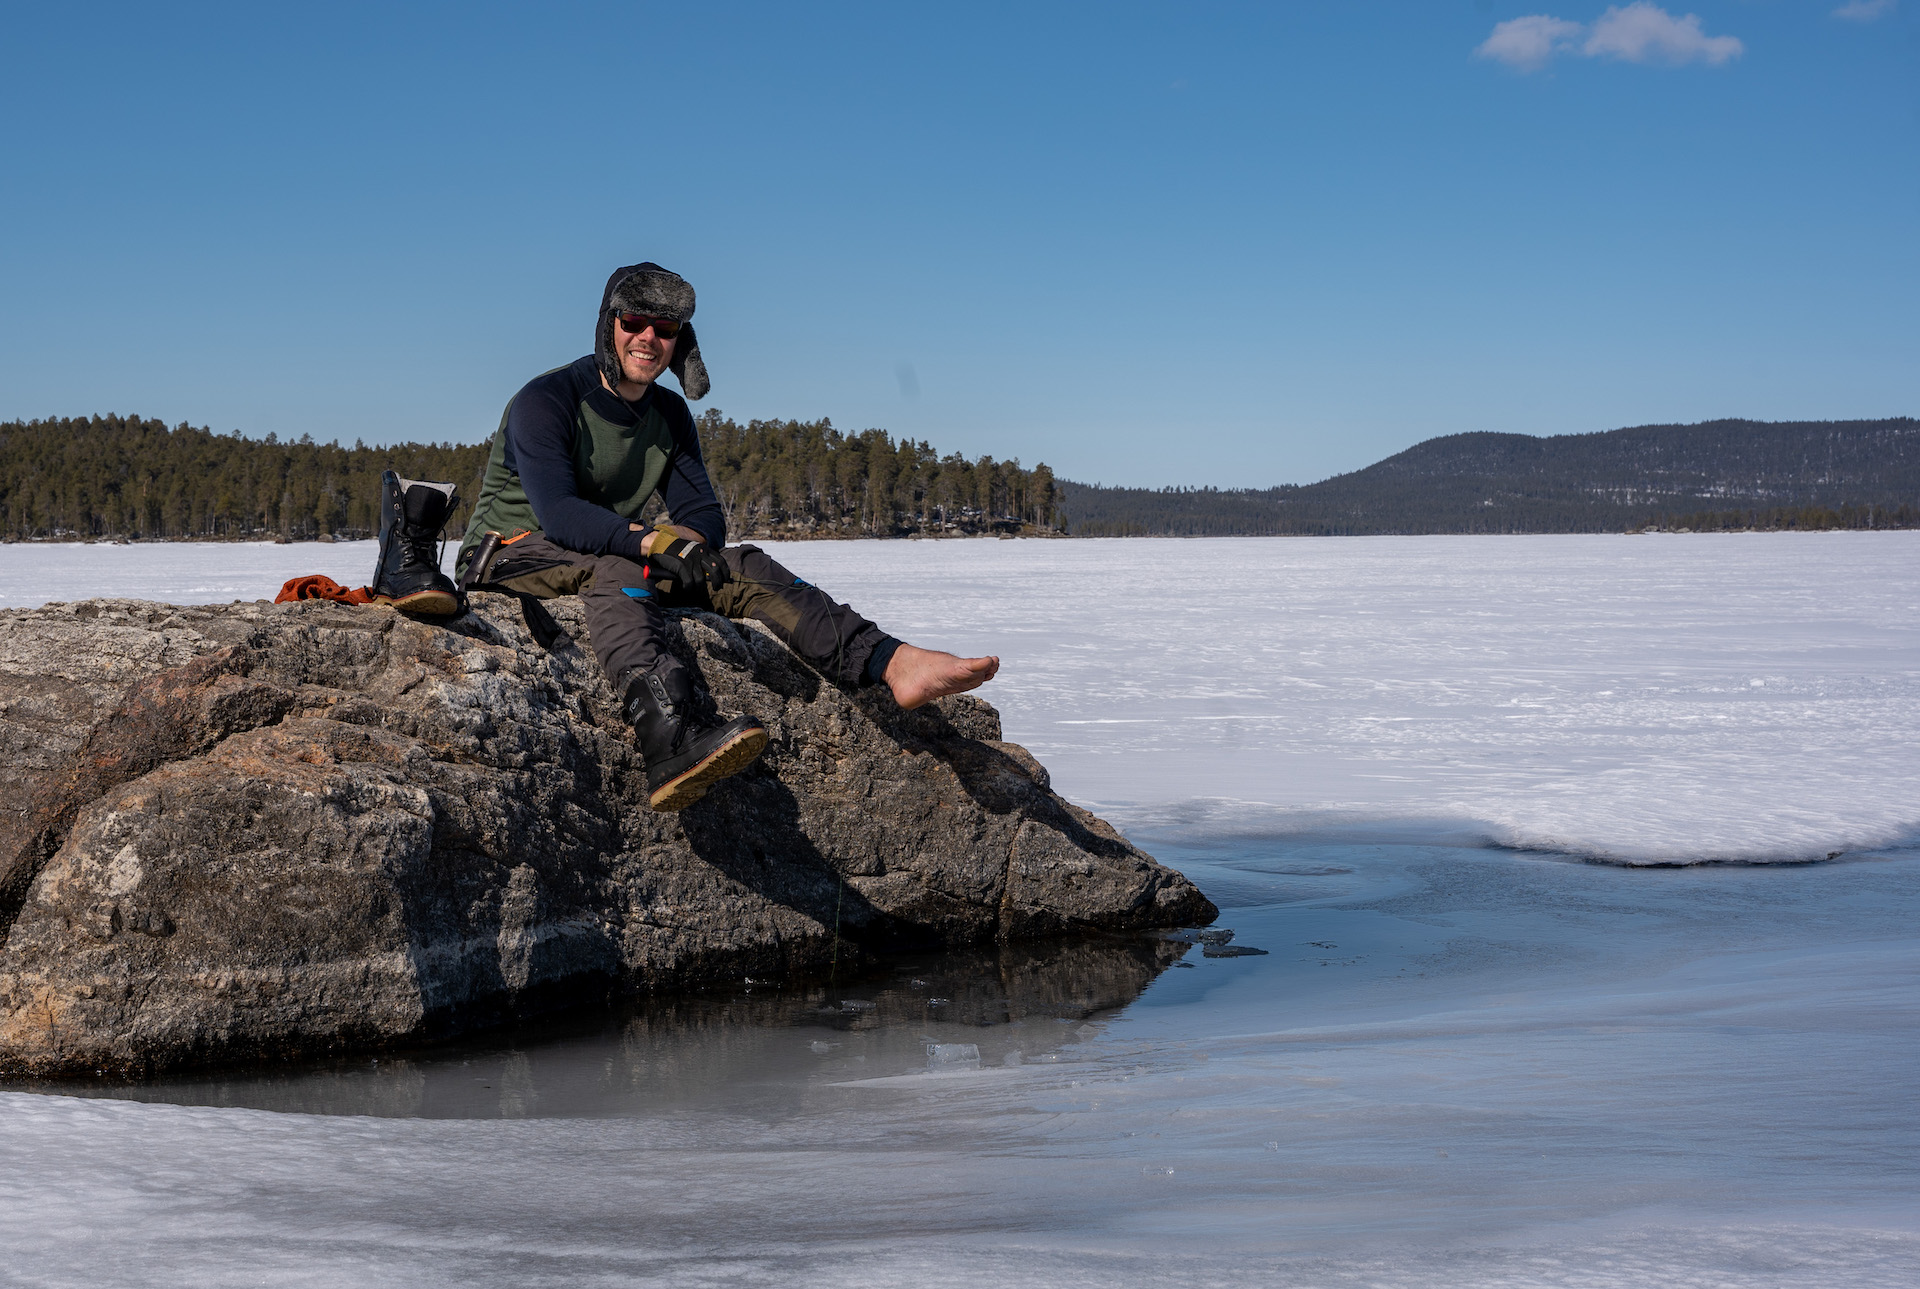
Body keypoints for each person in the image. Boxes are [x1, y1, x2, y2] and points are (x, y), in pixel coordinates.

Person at [441, 262, 999, 812]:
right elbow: (560, 514)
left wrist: (683, 544)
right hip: (508, 551)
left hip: (606, 546)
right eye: (635, 322)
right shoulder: (548, 400)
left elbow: (704, 511)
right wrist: (654, 544)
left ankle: (891, 662)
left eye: (665, 330)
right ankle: (667, 738)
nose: (647, 339)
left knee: (743, 564)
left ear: (681, 342)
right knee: (617, 569)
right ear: (608, 324)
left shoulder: (669, 413)